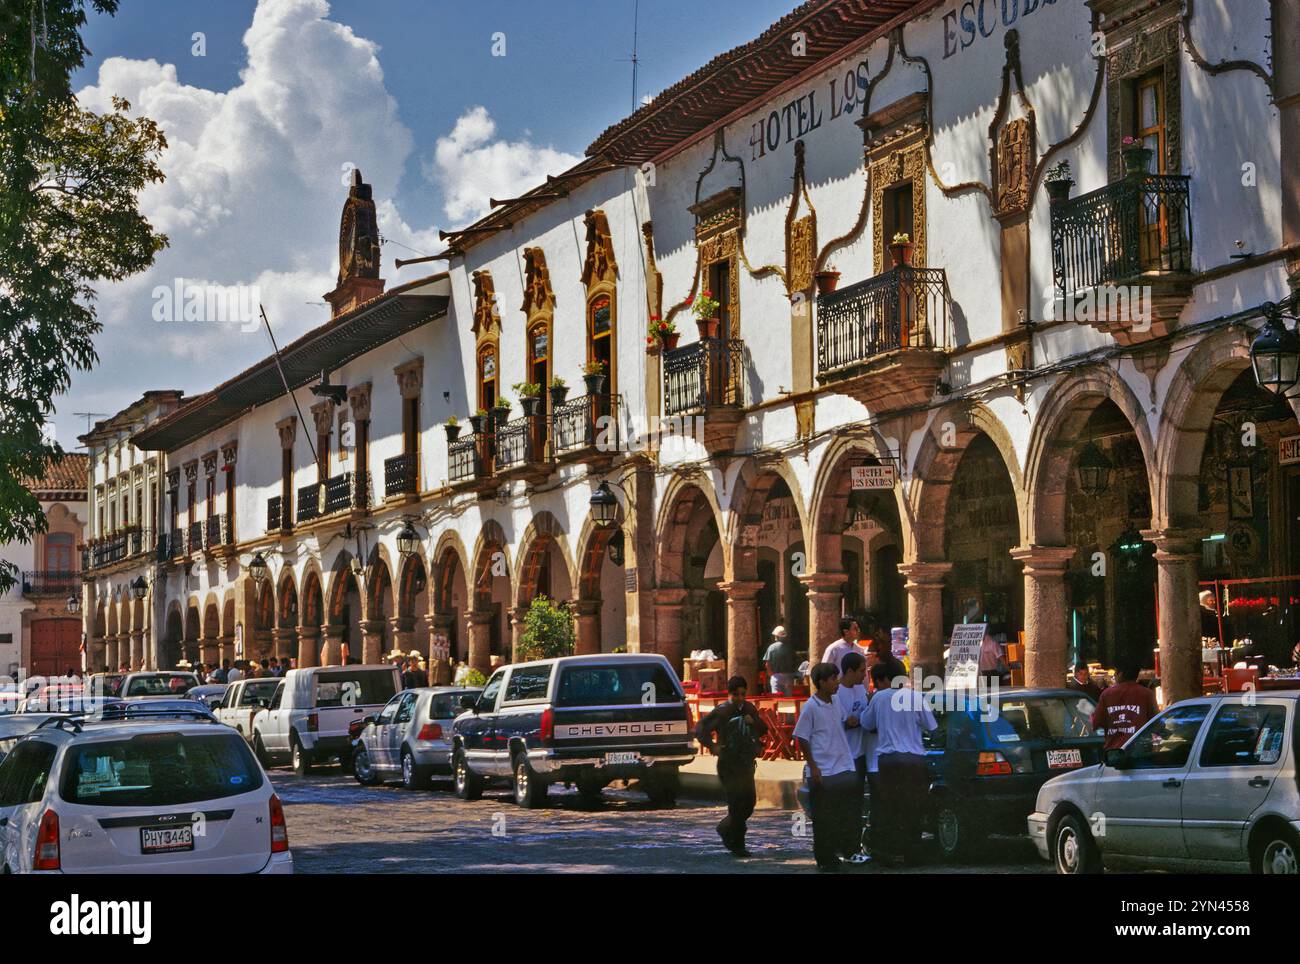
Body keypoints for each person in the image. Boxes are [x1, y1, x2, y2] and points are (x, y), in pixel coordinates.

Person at [861, 662, 937, 867]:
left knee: (891, 808)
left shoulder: (878, 698)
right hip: (914, 760)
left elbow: (866, 724)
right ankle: (913, 854)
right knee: (914, 807)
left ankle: (892, 853)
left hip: (889, 761)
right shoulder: (915, 696)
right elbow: (931, 726)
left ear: (885, 679)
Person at [793, 663, 859, 872]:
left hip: (841, 765)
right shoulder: (811, 707)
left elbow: (841, 721)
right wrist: (813, 767)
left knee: (841, 813)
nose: (836, 682)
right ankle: (824, 857)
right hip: (822, 768)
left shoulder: (836, 700)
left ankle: (840, 851)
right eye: (832, 679)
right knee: (823, 817)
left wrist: (851, 720)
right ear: (821, 682)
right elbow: (801, 736)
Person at [696, 675, 768, 857]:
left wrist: (754, 722)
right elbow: (701, 728)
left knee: (749, 803)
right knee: (736, 805)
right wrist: (712, 746)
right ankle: (737, 844)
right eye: (735, 694)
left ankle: (725, 827)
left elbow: (763, 729)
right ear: (730, 694)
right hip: (728, 764)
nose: (739, 698)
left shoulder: (750, 709)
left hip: (745, 764)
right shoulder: (722, 711)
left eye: (743, 694)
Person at [832, 651, 871, 864]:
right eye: (861, 671)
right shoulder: (836, 694)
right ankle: (844, 845)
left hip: (861, 753)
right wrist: (849, 722)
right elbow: (833, 724)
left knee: (856, 805)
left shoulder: (861, 690)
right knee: (844, 805)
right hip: (844, 756)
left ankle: (853, 846)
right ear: (849, 671)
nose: (864, 675)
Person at [1091, 660, 1158, 751]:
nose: (1114, 675)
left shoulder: (1107, 694)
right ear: (1137, 675)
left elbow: (1096, 723)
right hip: (1140, 752)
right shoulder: (1147, 694)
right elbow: (1157, 723)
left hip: (1114, 752)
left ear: (1121, 674)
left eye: (1115, 672)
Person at [763, 627, 798, 695]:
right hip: (789, 677)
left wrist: (771, 674)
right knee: (789, 700)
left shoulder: (771, 647)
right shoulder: (790, 647)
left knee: (777, 698)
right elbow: (795, 662)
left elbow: (767, 664)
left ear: (776, 636)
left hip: (776, 677)